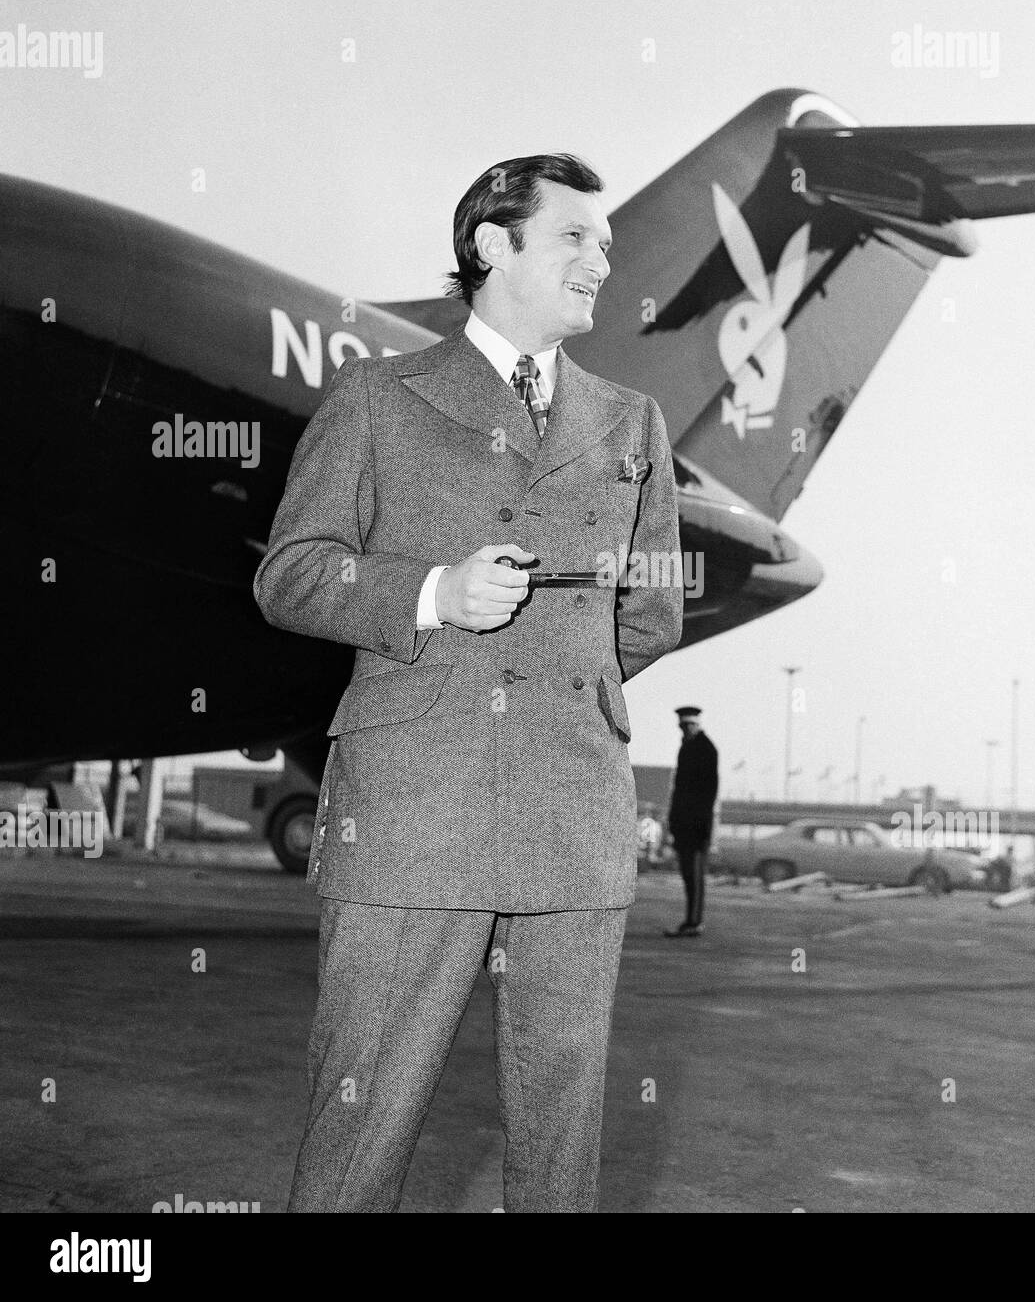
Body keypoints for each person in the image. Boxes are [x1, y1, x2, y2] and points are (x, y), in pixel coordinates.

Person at [254, 153, 683, 1212]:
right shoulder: (376, 396)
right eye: (576, 238)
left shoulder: (632, 424)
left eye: (607, 247)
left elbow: (655, 604)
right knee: (362, 1119)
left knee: (560, 1134)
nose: (600, 263)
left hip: (572, 810)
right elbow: (291, 573)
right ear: (492, 244)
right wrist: (436, 595)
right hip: (412, 812)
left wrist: (554, 678)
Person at [663, 706, 719, 938]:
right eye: (682, 726)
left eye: (688, 725)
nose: (684, 729)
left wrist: (701, 828)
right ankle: (691, 921)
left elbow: (708, 793)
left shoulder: (705, 750)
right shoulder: (687, 748)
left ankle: (694, 922)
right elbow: (679, 792)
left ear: (696, 724)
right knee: (689, 875)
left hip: (695, 828)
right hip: (685, 826)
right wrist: (675, 823)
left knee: (694, 876)